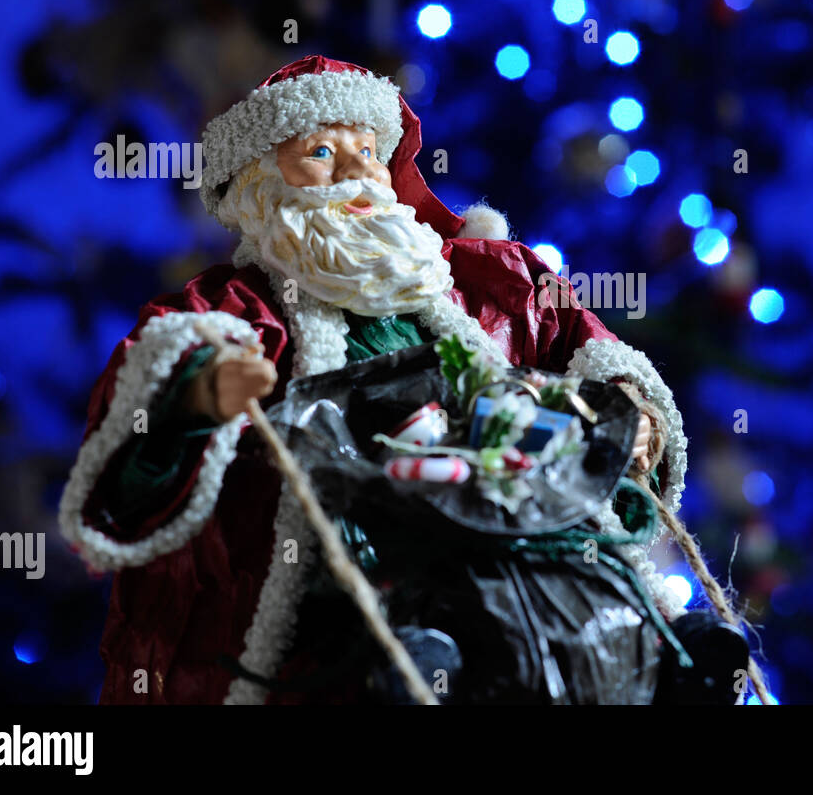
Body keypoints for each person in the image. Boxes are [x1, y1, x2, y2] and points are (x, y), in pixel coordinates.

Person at [60, 55, 740, 704]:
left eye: (368, 152)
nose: (356, 172)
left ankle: (663, 650)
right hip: (351, 576)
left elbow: (586, 348)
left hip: (514, 514)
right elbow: (146, 413)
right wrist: (200, 396)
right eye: (322, 154)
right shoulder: (232, 311)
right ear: (260, 184)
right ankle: (417, 651)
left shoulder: (478, 286)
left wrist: (631, 401)